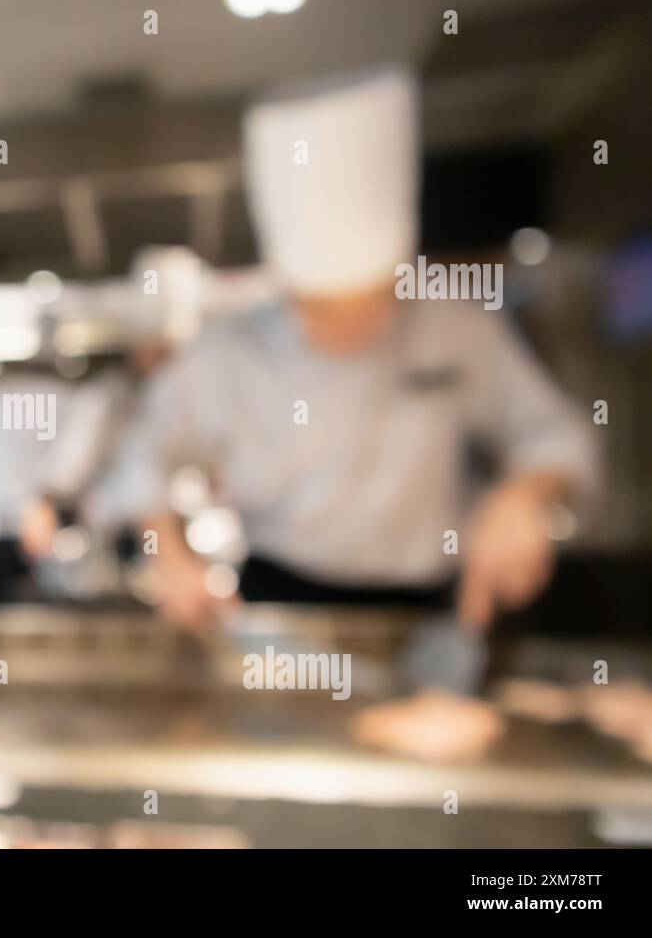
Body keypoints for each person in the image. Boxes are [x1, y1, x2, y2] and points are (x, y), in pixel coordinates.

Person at [133, 68, 598, 633]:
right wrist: (167, 548)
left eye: (375, 298)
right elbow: (143, 452)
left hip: (430, 605)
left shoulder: (455, 327)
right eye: (322, 307)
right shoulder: (227, 350)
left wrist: (528, 493)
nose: (349, 330)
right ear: (287, 288)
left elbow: (557, 433)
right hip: (280, 594)